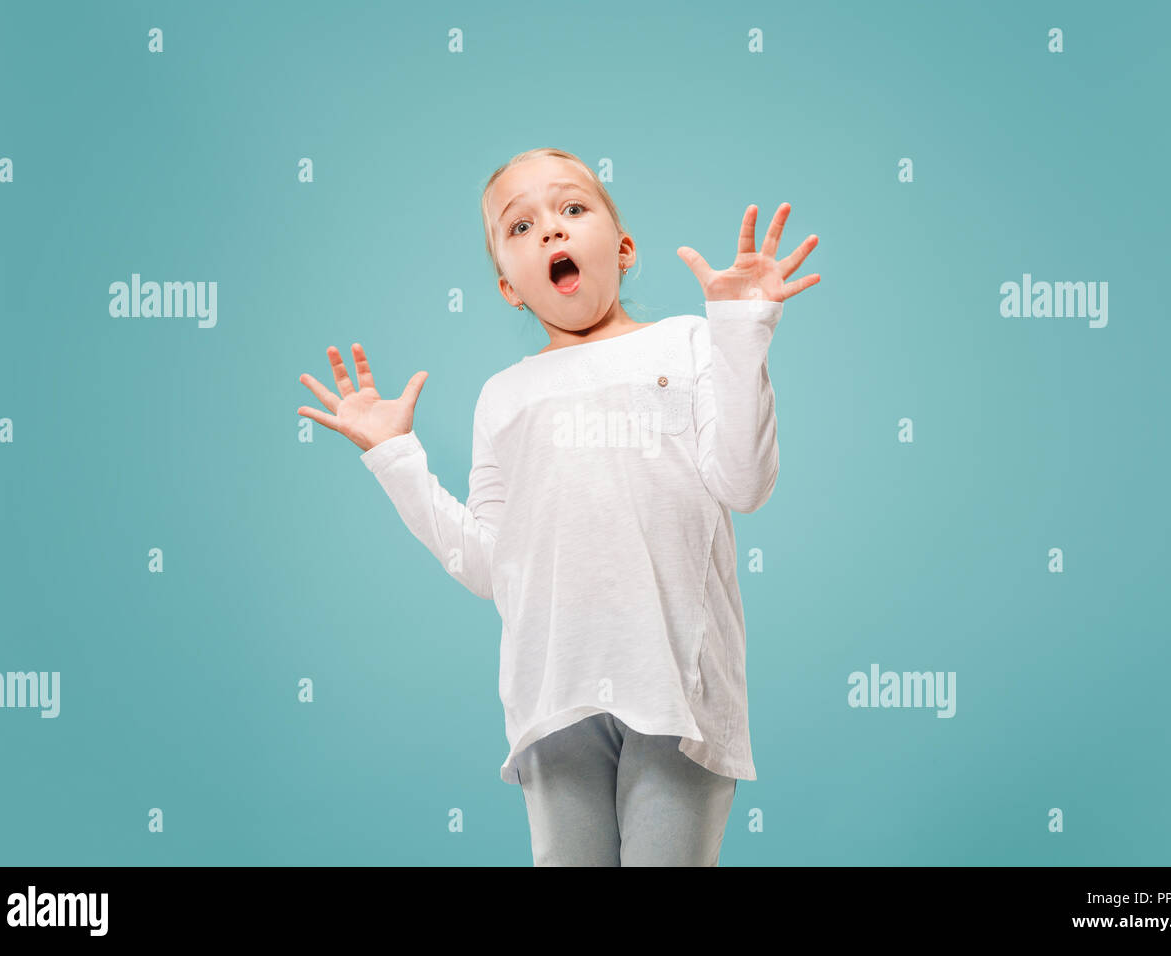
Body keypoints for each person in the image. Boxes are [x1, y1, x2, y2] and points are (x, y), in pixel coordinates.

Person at [297, 147, 819, 865]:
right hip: (552, 696)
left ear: (625, 248)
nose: (551, 231)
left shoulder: (690, 342)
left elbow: (744, 483)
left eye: (573, 209)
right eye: (520, 227)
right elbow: (490, 567)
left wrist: (739, 334)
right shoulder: (504, 396)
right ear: (510, 288)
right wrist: (396, 458)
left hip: (676, 687)